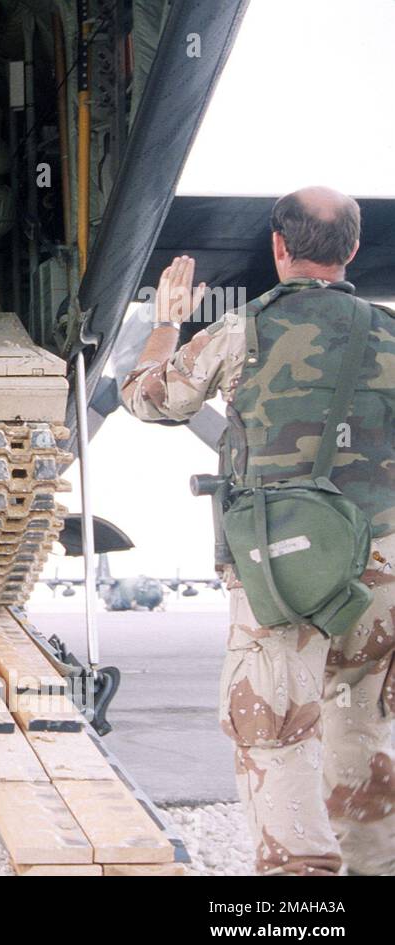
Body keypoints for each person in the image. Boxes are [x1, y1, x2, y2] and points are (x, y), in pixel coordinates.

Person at [120, 187, 395, 875]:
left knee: (274, 729)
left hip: (280, 570)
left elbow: (147, 399)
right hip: (381, 567)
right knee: (363, 721)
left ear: (279, 246)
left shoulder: (241, 329)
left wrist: (168, 323)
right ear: (353, 250)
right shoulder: (390, 335)